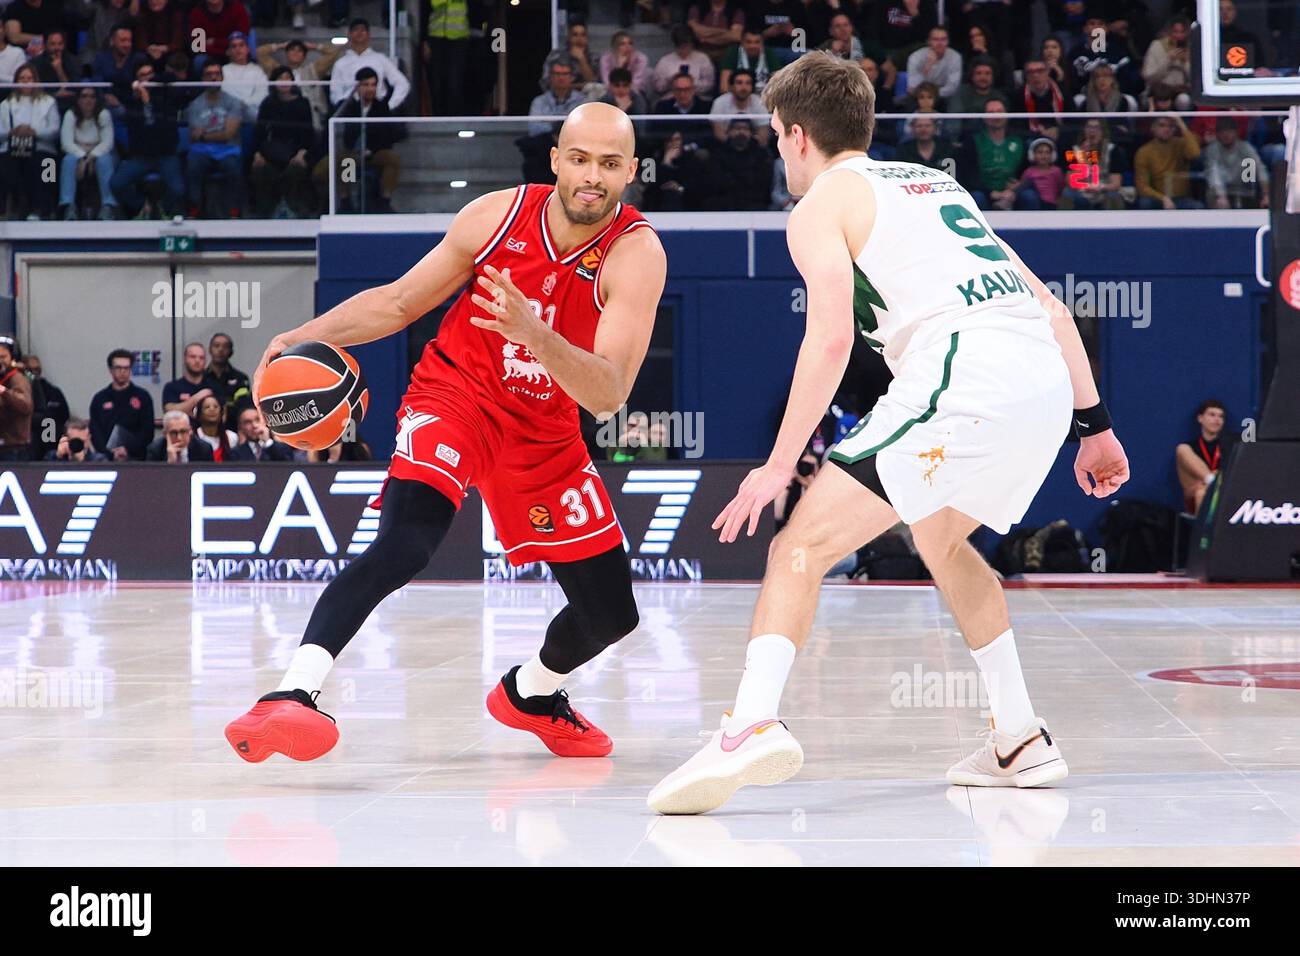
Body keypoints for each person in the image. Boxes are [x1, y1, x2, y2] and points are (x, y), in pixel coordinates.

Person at [647, 52, 1129, 815]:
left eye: (776, 136)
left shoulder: (818, 207)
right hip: (1040, 381)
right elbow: (1055, 311)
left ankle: (749, 724)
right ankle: (1020, 737)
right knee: (940, 539)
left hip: (963, 372)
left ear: (798, 135)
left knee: (796, 546)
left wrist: (777, 467)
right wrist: (1094, 428)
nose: (779, 151)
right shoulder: (937, 184)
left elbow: (831, 339)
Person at [224, 101, 666, 767]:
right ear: (555, 160)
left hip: (545, 435)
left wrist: (536, 335)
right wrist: (300, 336)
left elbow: (608, 395)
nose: (591, 176)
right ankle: (293, 692)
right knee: (407, 542)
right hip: (456, 397)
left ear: (631, 171)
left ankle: (532, 694)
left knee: (611, 616)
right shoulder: (496, 217)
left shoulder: (635, 254)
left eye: (609, 164)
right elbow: (401, 302)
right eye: (579, 159)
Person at [250, 67, 315, 218]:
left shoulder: (303, 103)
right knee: (260, 170)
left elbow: (308, 133)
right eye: (280, 78)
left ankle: (292, 207)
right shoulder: (268, 103)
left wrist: (301, 153)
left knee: (295, 170)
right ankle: (267, 211)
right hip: (272, 150)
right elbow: (260, 131)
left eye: (288, 78)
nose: (284, 82)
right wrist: (257, 154)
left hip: (297, 150)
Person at [0, 63, 60, 220]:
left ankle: (42, 209)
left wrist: (34, 132)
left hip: (44, 149)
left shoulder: (48, 102)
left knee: (48, 168)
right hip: (12, 148)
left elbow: (54, 130)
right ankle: (7, 211)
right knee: (5, 166)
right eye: (22, 78)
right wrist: (12, 132)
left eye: (29, 78)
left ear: (36, 80)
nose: (26, 82)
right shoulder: (6, 104)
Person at [187, 59, 246, 218]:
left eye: (217, 74)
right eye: (209, 75)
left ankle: (234, 211)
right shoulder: (195, 105)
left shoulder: (233, 102)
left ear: (222, 78)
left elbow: (229, 134)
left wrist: (205, 134)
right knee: (193, 165)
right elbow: (194, 135)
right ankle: (194, 209)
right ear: (202, 79)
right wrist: (218, 133)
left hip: (228, 150)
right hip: (202, 151)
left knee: (233, 168)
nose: (213, 78)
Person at [59, 87, 118, 220]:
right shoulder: (70, 114)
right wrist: (83, 156)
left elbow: (107, 143)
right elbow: (66, 143)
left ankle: (108, 206)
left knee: (105, 160)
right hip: (74, 154)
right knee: (67, 161)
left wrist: (90, 157)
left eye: (92, 96)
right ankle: (68, 206)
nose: (88, 100)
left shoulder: (104, 114)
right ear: (78, 100)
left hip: (98, 154)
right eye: (84, 96)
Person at [329, 18, 410, 111]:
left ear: (368, 34)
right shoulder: (340, 64)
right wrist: (345, 109)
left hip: (377, 110)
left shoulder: (380, 59)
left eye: (363, 30)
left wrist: (389, 106)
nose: (359, 33)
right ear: (349, 34)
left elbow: (402, 84)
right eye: (355, 30)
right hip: (350, 111)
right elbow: (335, 93)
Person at [89, 348, 156, 460]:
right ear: (110, 370)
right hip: (106, 459)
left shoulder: (143, 397)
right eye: (118, 368)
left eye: (126, 368)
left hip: (137, 458)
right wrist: (109, 453)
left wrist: (128, 450)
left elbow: (147, 431)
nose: (122, 371)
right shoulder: (99, 399)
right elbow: (95, 432)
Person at [1175, 399, 1232, 514]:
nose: (1217, 420)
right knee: (1182, 449)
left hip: (1221, 493)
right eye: (1212, 415)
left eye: (1221, 417)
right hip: (1193, 492)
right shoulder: (1190, 448)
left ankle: (1212, 483)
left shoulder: (1229, 446)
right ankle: (1212, 481)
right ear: (1200, 418)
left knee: (1202, 493)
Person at [22, 353, 69, 459]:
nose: (34, 373)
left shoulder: (52, 391)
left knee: (50, 423)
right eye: (30, 369)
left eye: (37, 369)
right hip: (26, 435)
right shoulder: (19, 389)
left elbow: (64, 414)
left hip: (49, 433)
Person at [163, 342, 223, 416]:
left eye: (201, 358)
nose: (197, 361)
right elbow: (170, 412)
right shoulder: (171, 387)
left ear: (205, 362)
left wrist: (183, 407)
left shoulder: (215, 387)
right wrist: (198, 397)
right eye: (193, 357)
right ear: (185, 359)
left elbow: (222, 416)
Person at [0, 336, 33, 460]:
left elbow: (25, 405)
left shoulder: (17, 378)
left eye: (3, 357)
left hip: (13, 448)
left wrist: (4, 392)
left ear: (12, 357)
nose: (0, 361)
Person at [227, 405, 293, 461]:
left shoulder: (282, 448)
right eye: (247, 422)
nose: (254, 425)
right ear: (240, 427)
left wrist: (267, 442)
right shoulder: (235, 453)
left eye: (257, 419)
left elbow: (288, 463)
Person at [147, 409, 215, 462]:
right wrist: (169, 464)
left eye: (183, 432)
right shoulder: (155, 450)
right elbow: (152, 478)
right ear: (165, 434)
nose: (179, 438)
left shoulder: (204, 449)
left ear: (190, 431)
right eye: (173, 433)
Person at [192, 392, 236, 460]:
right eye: (207, 407)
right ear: (199, 414)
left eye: (215, 407)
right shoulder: (193, 437)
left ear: (221, 413)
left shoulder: (231, 437)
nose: (212, 409)